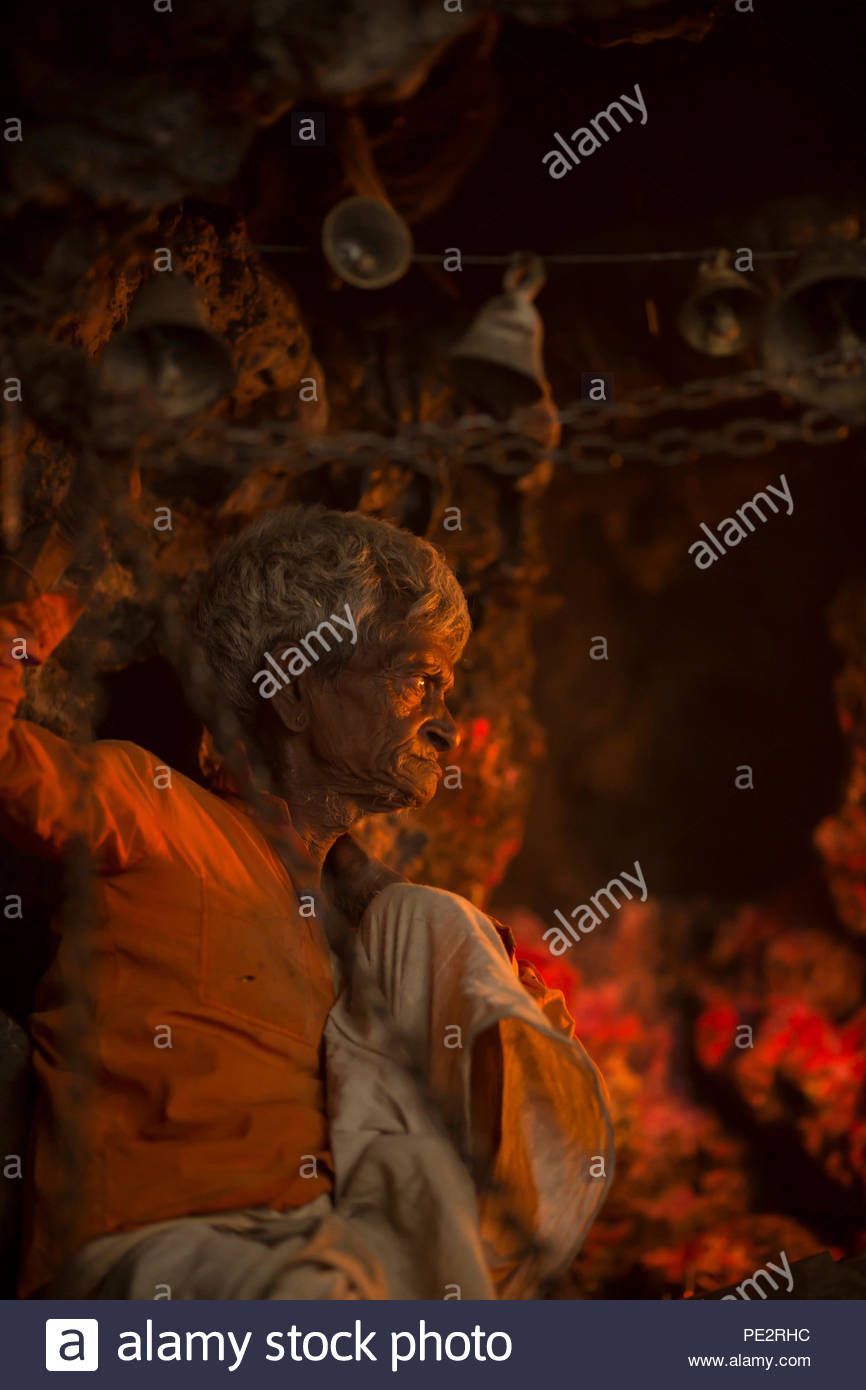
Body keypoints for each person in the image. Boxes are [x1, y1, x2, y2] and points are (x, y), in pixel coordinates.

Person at [0, 504, 612, 1299]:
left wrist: (366, 884)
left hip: (340, 1265)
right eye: (418, 680)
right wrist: (38, 599)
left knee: (431, 920)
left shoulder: (368, 934)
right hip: (160, 1263)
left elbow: (524, 1091)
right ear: (291, 690)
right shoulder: (158, 811)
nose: (448, 729)